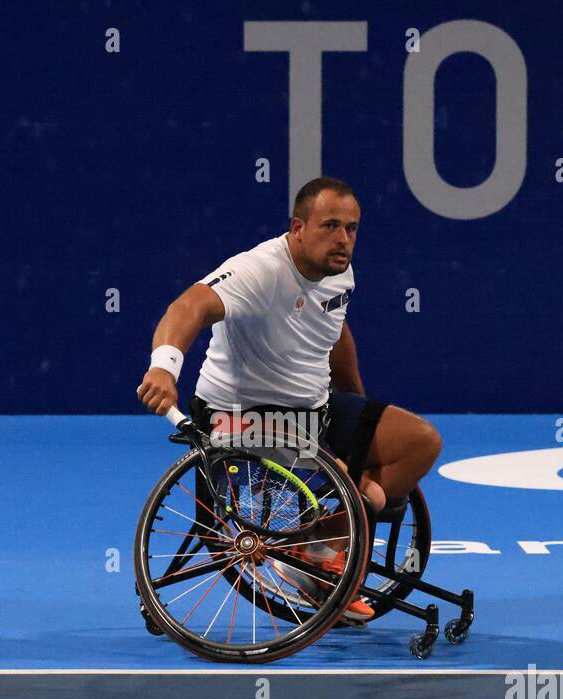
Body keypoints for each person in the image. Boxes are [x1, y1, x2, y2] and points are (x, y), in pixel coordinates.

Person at [136, 176, 442, 621]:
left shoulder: (338, 269)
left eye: (351, 228)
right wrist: (164, 366)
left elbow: (333, 330)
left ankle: (319, 547)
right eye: (331, 226)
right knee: (345, 479)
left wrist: (358, 403)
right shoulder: (259, 271)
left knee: (420, 442)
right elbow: (188, 307)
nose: (343, 239)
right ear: (298, 227)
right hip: (240, 419)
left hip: (311, 412)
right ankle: (333, 543)